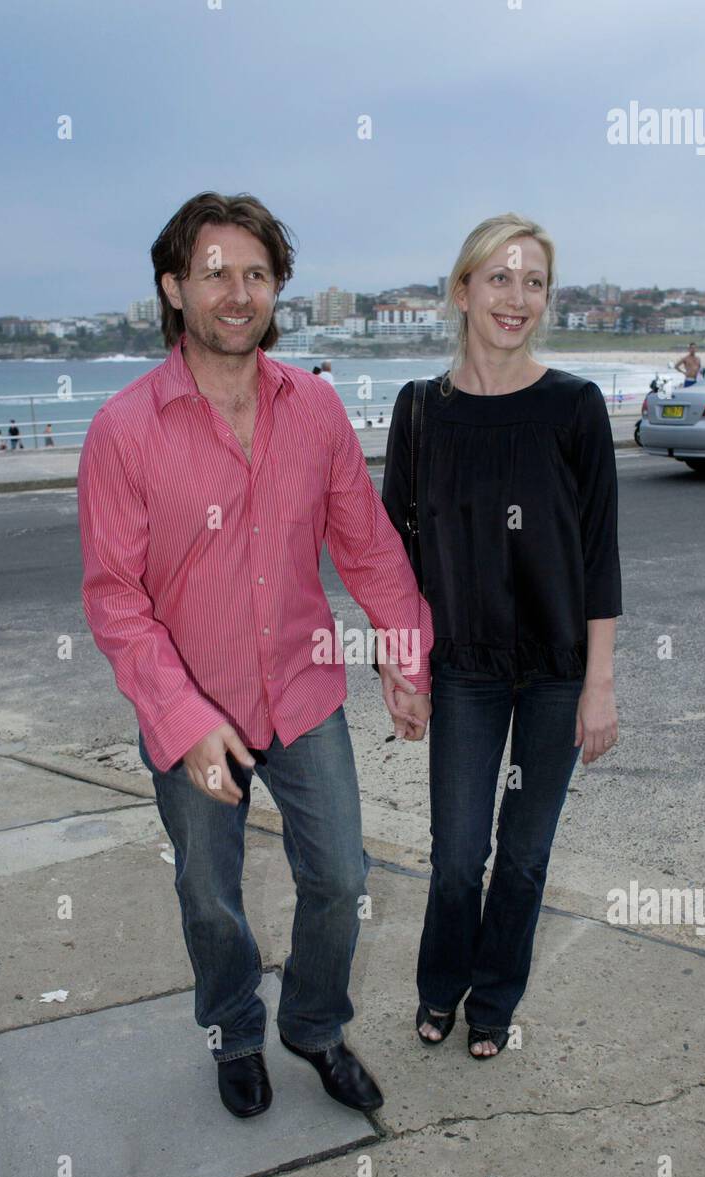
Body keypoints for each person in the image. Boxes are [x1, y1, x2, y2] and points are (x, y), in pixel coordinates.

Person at [78, 192, 432, 1120]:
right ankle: (234, 1030)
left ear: (277, 288)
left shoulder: (313, 408)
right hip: (192, 704)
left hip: (303, 691)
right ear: (173, 287)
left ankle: (312, 1026)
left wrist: (404, 654)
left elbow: (369, 549)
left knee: (343, 878)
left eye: (256, 274)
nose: (238, 293)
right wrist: (182, 718)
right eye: (215, 273)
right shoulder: (122, 430)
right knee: (209, 896)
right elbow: (114, 600)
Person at [382, 213, 621, 1059]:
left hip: (557, 672)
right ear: (461, 291)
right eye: (498, 278)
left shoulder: (574, 408)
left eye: (532, 283)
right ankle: (438, 986)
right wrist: (398, 667)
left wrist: (599, 684)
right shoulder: (418, 413)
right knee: (454, 857)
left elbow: (598, 554)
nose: (515, 298)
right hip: (465, 672)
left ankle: (493, 1003)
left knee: (522, 858)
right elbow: (392, 563)